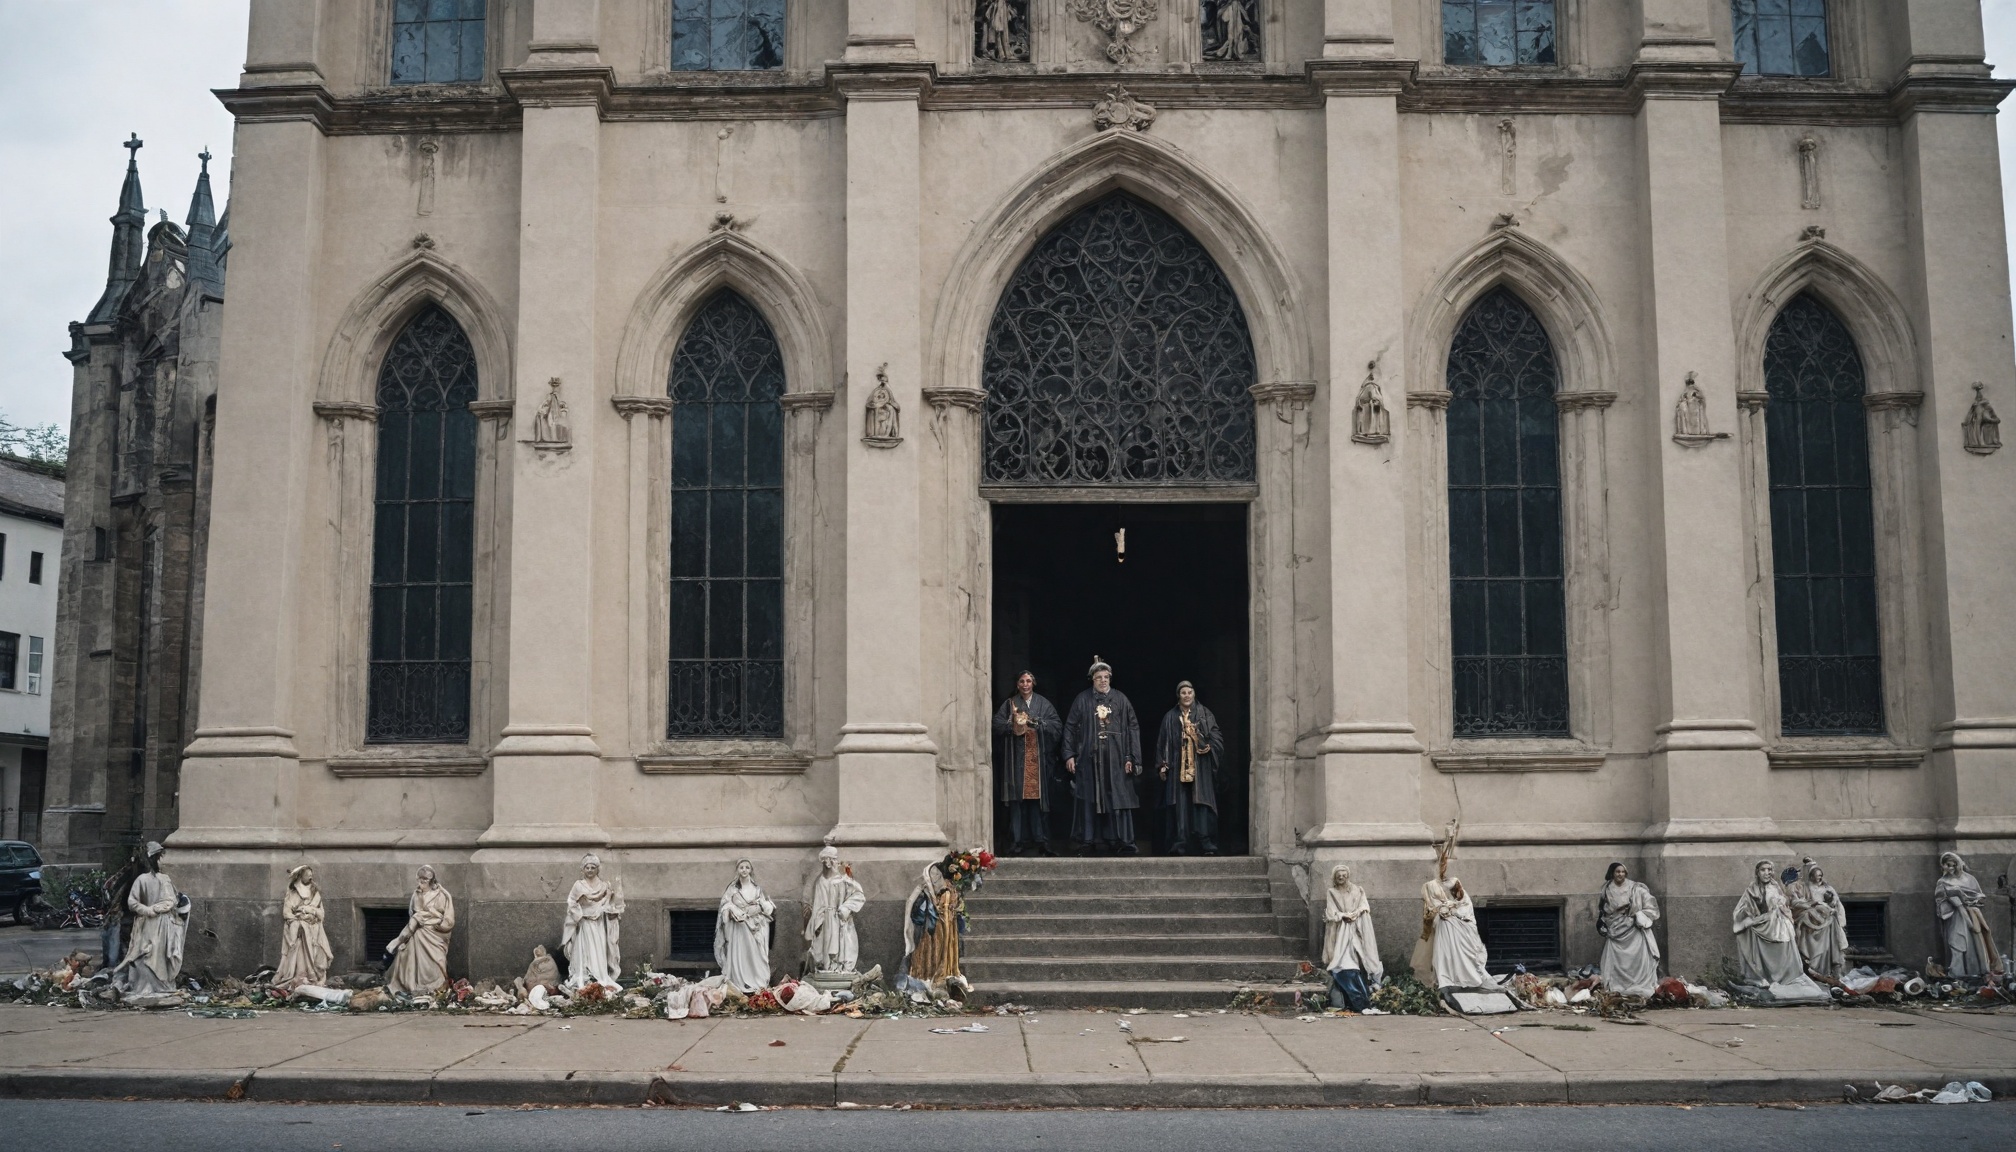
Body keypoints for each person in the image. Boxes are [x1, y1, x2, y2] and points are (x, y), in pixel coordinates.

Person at [1062, 657, 1142, 855]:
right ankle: (1087, 840)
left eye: (1106, 677)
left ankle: (1119, 840)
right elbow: (1070, 728)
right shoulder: (1082, 699)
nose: (1103, 680)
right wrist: (1069, 755)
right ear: (1092, 679)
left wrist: (1132, 757)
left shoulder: (1121, 699)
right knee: (1089, 798)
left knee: (1116, 797)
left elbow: (1133, 728)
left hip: (1116, 758)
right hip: (1089, 759)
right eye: (1099, 677)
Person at [1731, 859, 1828, 1002]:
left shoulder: (1775, 887)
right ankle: (1761, 975)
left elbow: (1783, 902)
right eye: (1763, 870)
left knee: (1785, 950)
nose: (1766, 873)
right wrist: (1748, 916)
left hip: (1779, 925)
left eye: (1769, 870)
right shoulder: (1752, 889)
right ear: (1757, 873)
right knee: (1746, 931)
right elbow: (1742, 908)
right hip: (1765, 922)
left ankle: (1787, 977)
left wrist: (1781, 908)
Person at [992, 671, 1063, 856]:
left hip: (1037, 761)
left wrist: (1040, 724)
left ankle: (1041, 841)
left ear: (1034, 683)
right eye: (1022, 681)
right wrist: (1012, 724)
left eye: (1029, 681)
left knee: (1037, 803)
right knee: (1017, 803)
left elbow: (1056, 725)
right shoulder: (1010, 704)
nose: (1025, 684)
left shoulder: (1043, 703)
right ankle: (1017, 841)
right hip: (1017, 762)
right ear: (1017, 684)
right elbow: (996, 725)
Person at [107, 842, 188, 998]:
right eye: (159, 858)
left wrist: (155, 909)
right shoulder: (142, 880)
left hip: (162, 923)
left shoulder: (164, 879)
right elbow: (133, 902)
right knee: (146, 954)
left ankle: (159, 985)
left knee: (158, 956)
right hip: (148, 923)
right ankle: (146, 985)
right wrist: (148, 910)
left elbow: (171, 900)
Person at [1155, 681, 1224, 855]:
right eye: (1183, 693)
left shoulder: (1204, 714)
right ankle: (1180, 842)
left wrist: (1209, 745)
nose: (1186, 695)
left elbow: (1217, 737)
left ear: (1194, 694)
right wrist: (1162, 765)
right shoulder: (1170, 717)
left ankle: (1205, 842)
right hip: (1177, 766)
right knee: (1179, 806)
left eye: (1189, 692)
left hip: (1199, 767)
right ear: (1179, 695)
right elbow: (1162, 743)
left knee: (1200, 804)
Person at [385, 865, 455, 996]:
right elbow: (412, 913)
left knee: (418, 931)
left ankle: (433, 982)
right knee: (408, 946)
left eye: (426, 879)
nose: (422, 882)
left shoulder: (440, 894)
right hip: (418, 927)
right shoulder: (416, 894)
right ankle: (412, 982)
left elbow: (447, 920)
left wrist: (430, 919)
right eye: (420, 879)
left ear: (432, 880)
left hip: (435, 930)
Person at [1418, 875, 1497, 990]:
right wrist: (1446, 909)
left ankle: (1460, 973)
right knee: (1446, 952)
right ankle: (1449, 973)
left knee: (1462, 951)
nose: (1451, 893)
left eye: (1453, 890)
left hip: (1461, 928)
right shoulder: (1441, 901)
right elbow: (1435, 913)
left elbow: (1464, 912)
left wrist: (1452, 909)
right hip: (1448, 928)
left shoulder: (1463, 897)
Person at [1321, 864, 1383, 1011]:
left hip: (1357, 929)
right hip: (1342, 930)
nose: (1341, 878)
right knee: (1344, 963)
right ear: (1335, 878)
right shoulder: (1332, 892)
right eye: (1338, 876)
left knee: (1362, 960)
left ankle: (1364, 999)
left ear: (1348, 876)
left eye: (1344, 875)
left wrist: (1357, 913)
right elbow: (1331, 912)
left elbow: (1364, 905)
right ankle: (1357, 1001)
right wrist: (1343, 915)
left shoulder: (1358, 890)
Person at [1595, 862, 1661, 998]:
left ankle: (1638, 983)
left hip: (1634, 931)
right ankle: (1618, 984)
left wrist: (1638, 915)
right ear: (1612, 873)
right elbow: (1603, 909)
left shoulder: (1636, 889)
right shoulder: (1606, 889)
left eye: (1623, 872)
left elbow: (1651, 906)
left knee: (1637, 961)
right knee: (1615, 960)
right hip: (1615, 930)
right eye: (1617, 872)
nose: (1620, 874)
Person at [1935, 852, 2005, 978]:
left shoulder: (1969, 879)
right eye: (1947, 865)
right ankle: (1957, 973)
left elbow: (1980, 894)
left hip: (1972, 914)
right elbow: (1940, 900)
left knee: (1974, 943)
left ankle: (1975, 972)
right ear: (1943, 865)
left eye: (1953, 865)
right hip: (1955, 916)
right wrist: (1953, 901)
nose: (1950, 868)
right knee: (1955, 942)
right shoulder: (1942, 881)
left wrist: (1972, 900)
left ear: (1958, 865)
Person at [562, 854, 624, 993]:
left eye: (593, 867)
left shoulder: (604, 886)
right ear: (582, 869)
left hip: (599, 924)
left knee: (598, 950)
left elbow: (611, 903)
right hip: (584, 924)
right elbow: (571, 902)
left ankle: (599, 976)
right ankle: (585, 976)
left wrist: (611, 911)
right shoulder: (578, 885)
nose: (590, 870)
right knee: (584, 951)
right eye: (587, 867)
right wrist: (579, 913)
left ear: (597, 869)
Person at [805, 844, 867, 977]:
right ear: (825, 861)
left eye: (834, 859)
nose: (834, 862)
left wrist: (846, 907)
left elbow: (859, 895)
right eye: (831, 859)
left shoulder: (844, 880)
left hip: (839, 919)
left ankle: (840, 967)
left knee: (842, 944)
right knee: (823, 946)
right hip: (825, 919)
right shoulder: (820, 881)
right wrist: (817, 921)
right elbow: (817, 904)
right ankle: (827, 968)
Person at [715, 858, 775, 992]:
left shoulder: (757, 889)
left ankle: (757, 979)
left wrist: (761, 908)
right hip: (738, 928)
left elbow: (765, 906)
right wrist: (731, 911)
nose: (744, 870)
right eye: (741, 867)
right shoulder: (732, 889)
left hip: (754, 926)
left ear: (751, 870)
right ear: (737, 870)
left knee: (755, 954)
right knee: (740, 954)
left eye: (747, 867)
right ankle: (739, 980)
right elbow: (724, 905)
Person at [274, 864, 333, 992]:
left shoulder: (315, 893)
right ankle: (299, 976)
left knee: (309, 933)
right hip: (296, 929)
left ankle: (312, 975)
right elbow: (286, 912)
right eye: (307, 875)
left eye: (311, 875)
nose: (310, 877)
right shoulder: (292, 892)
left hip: (313, 928)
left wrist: (309, 911)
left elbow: (321, 914)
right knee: (298, 931)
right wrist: (297, 919)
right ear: (301, 876)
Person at [1787, 857, 1848, 980]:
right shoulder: (1802, 887)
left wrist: (1830, 900)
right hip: (1810, 918)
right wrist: (1812, 904)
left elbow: (1834, 903)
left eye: (1820, 875)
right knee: (1809, 920)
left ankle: (1827, 969)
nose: (1819, 878)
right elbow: (1796, 902)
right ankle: (1812, 966)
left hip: (1824, 918)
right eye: (1816, 875)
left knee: (1830, 922)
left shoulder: (1827, 887)